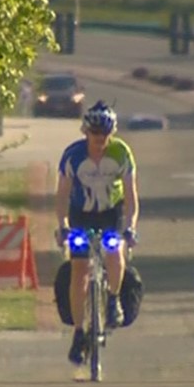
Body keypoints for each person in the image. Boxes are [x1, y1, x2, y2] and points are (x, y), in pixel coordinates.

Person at [54, 100, 140, 367]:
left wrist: (130, 227)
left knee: (114, 250)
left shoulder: (121, 153)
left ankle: (113, 300)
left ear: (111, 133)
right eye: (95, 135)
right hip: (81, 212)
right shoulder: (73, 155)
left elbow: (131, 197)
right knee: (79, 269)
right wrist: (62, 225)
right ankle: (79, 332)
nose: (100, 140)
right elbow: (62, 194)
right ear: (86, 132)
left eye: (104, 135)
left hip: (109, 212)